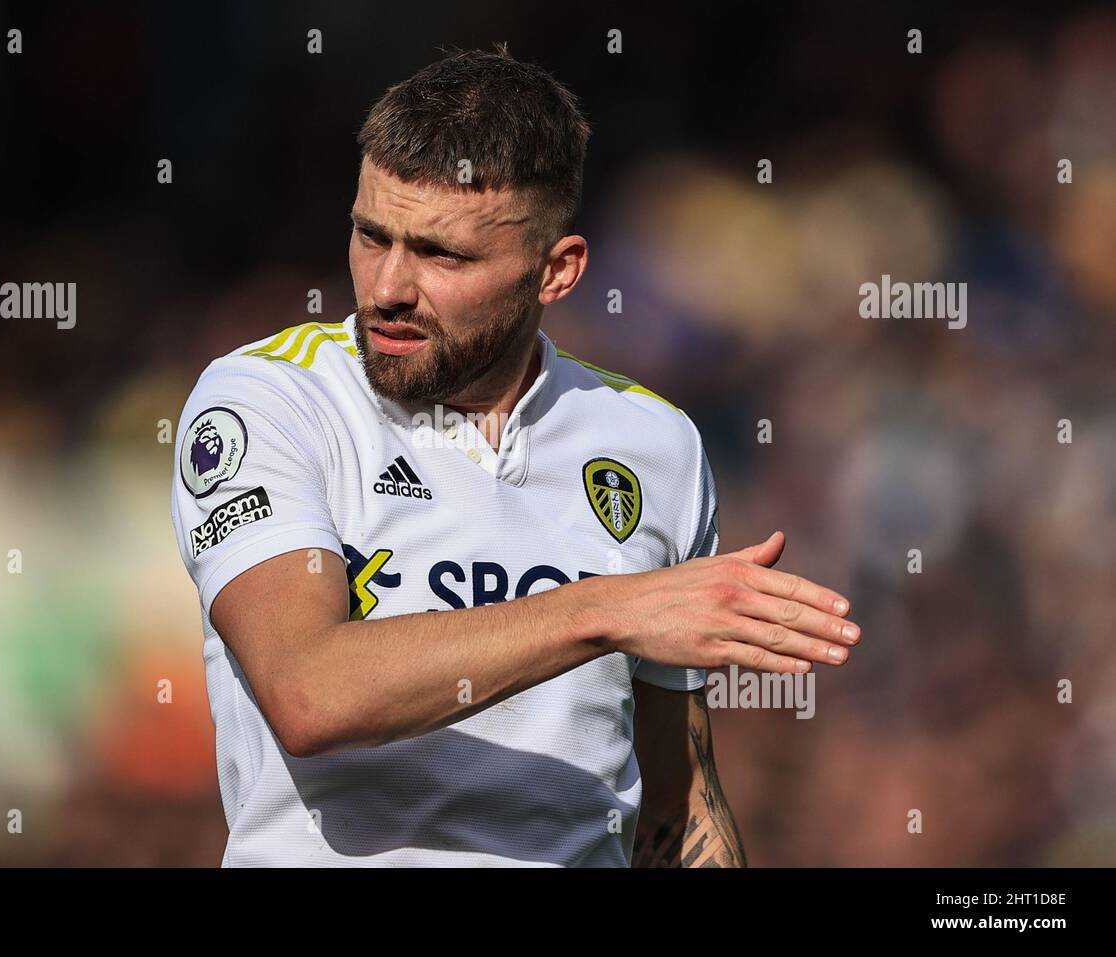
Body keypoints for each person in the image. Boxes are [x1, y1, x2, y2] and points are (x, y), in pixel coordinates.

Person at [171, 45, 860, 867]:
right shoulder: (267, 400)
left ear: (557, 271)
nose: (388, 285)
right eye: (370, 235)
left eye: (442, 255)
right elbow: (309, 694)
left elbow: (679, 804)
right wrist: (604, 609)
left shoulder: (654, 442)